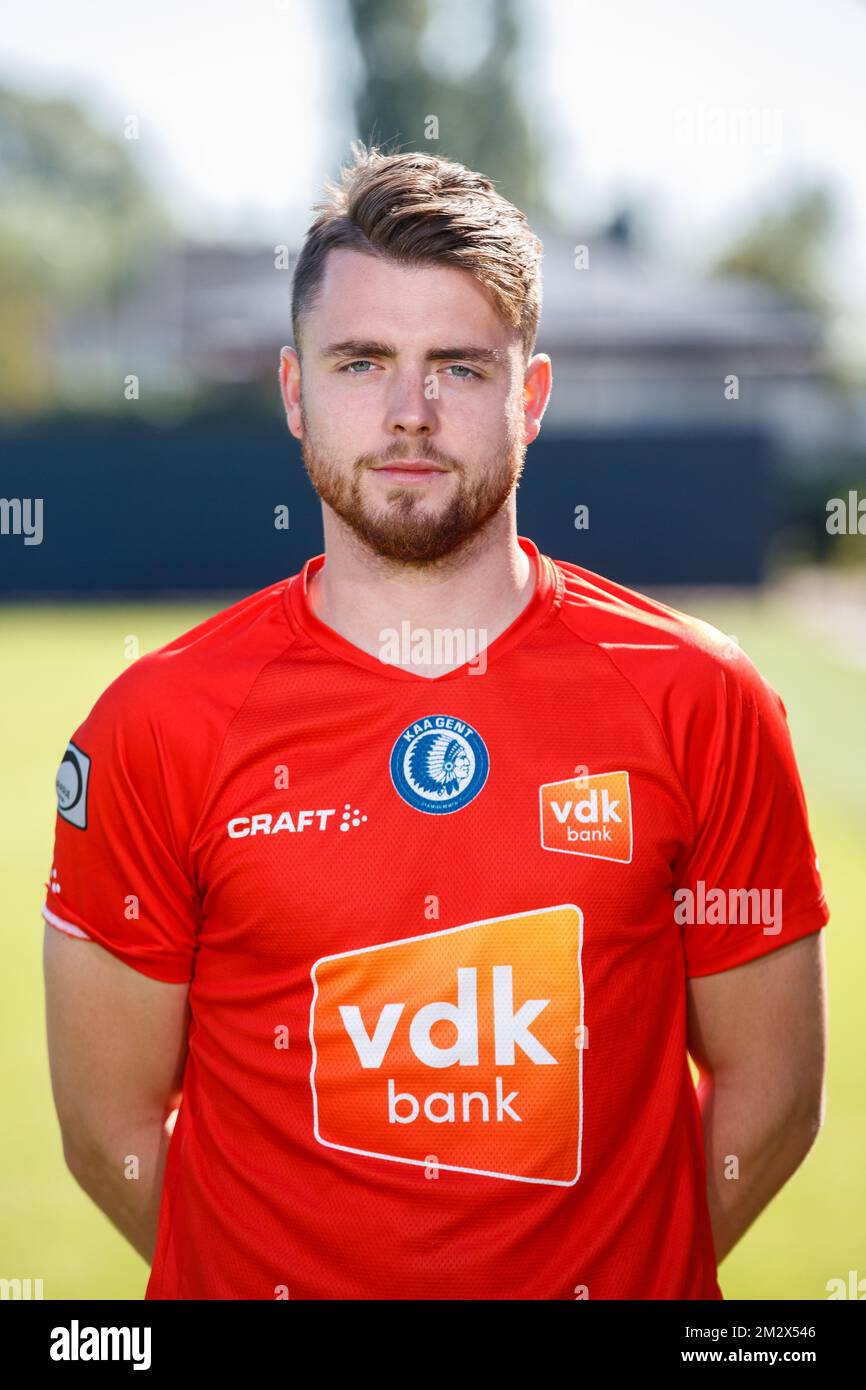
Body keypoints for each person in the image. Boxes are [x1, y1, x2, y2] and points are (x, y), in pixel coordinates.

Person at [42, 144, 829, 1300]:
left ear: (532, 395)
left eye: (457, 368)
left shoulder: (699, 698)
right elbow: (108, 1129)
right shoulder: (155, 722)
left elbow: (771, 1099)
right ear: (295, 390)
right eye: (362, 362)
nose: (408, 413)